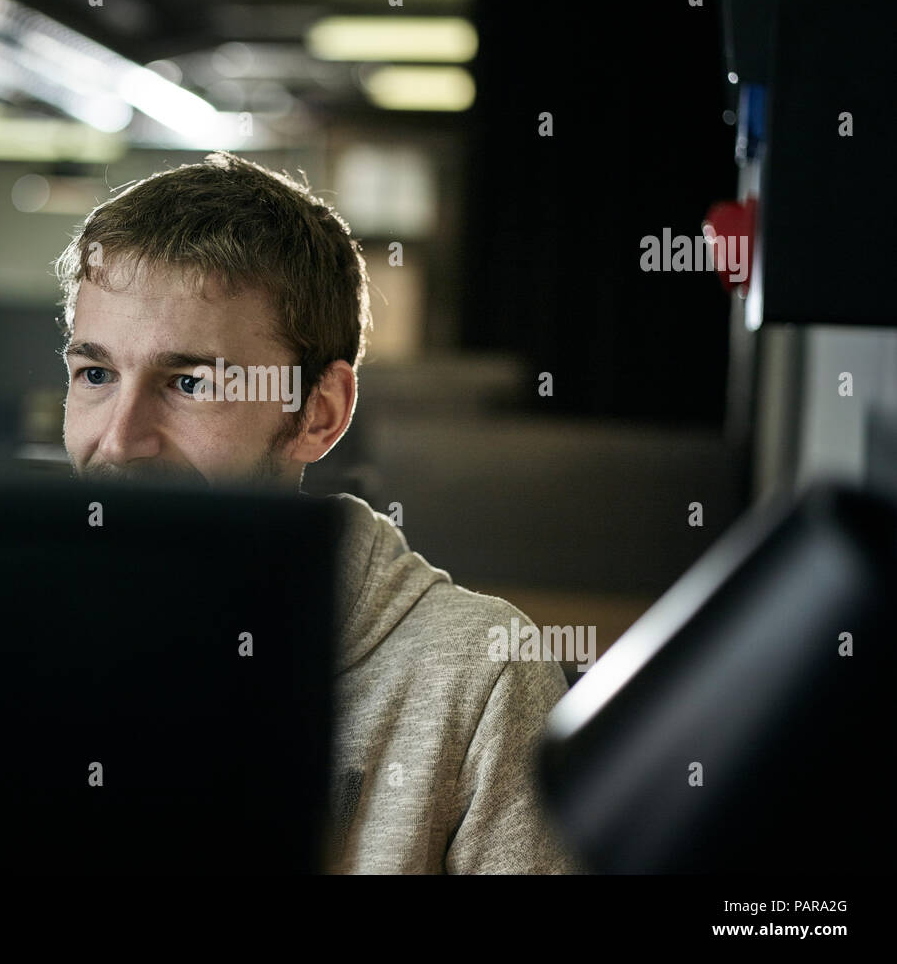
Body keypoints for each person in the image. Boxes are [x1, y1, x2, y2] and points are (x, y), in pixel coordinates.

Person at [52, 151, 579, 874]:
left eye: (190, 382)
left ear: (317, 415)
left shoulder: (474, 676)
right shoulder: (4, 633)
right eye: (97, 374)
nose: (116, 442)